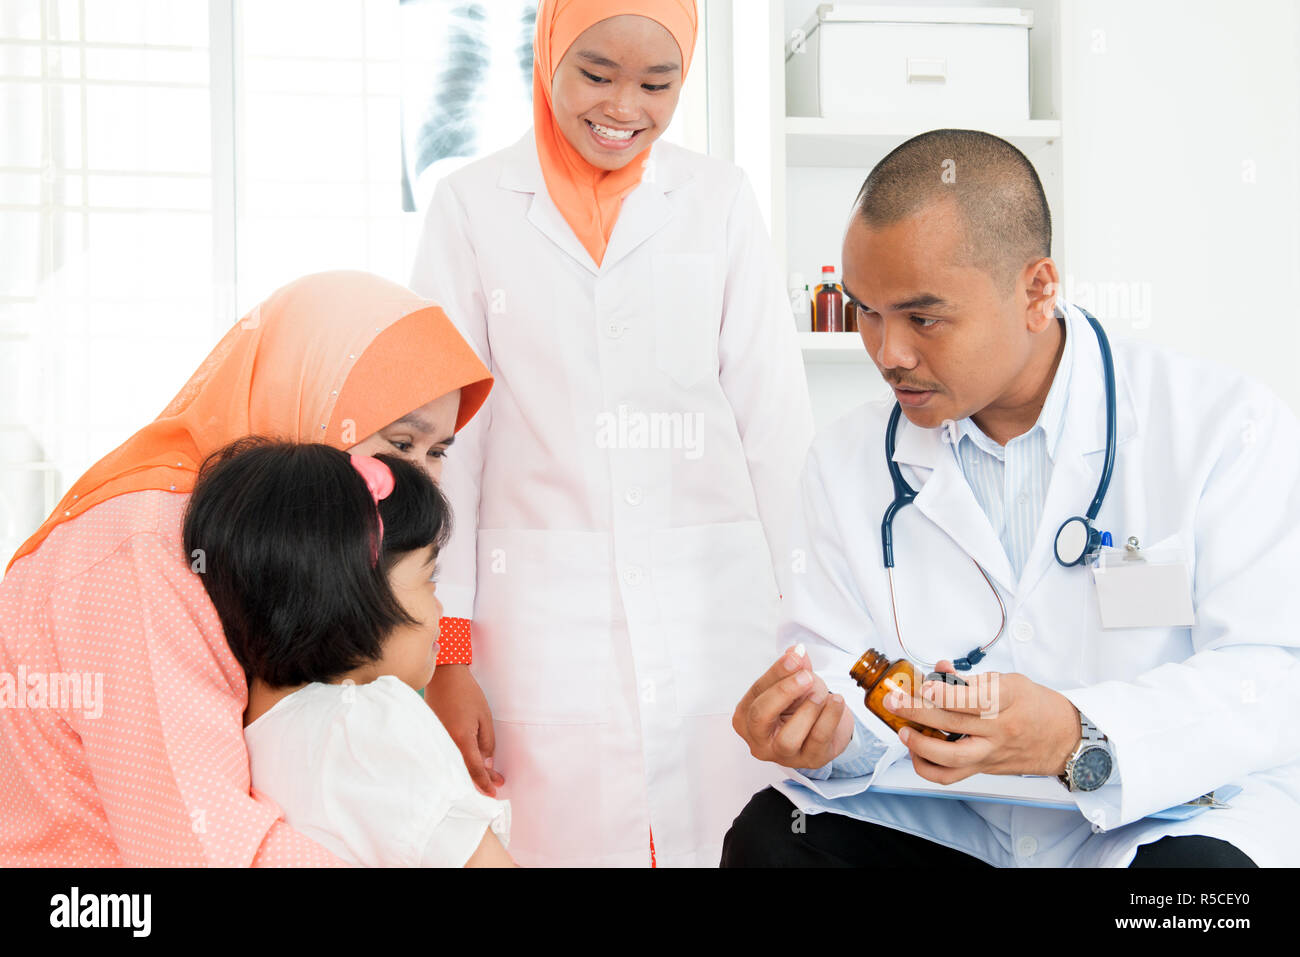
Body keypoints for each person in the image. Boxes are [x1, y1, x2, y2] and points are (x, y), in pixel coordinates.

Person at [724, 130, 1300, 868]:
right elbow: (837, 667)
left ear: (1035, 291)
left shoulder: (1220, 427)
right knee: (772, 842)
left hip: (1158, 819)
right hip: (954, 825)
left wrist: (1075, 732)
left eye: (922, 318)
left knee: (1195, 890)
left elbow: (1272, 672)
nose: (887, 351)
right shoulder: (845, 460)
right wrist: (827, 734)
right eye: (866, 310)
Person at [409, 0, 814, 866]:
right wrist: (449, 652)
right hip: (541, 626)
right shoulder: (471, 209)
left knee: (731, 840)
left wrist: (816, 624)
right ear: (546, 50)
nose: (624, 108)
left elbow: (775, 430)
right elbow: (449, 454)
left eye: (657, 83)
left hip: (718, 617)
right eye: (596, 74)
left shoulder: (719, 201)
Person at [0, 270, 493, 865]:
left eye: (438, 451)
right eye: (400, 444)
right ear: (306, 399)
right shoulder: (146, 551)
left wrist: (451, 665)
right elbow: (201, 847)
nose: (419, 480)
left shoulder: (267, 541)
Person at [183, 440, 513, 867]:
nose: (439, 608)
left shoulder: (250, 727)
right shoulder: (370, 726)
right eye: (430, 578)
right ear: (350, 593)